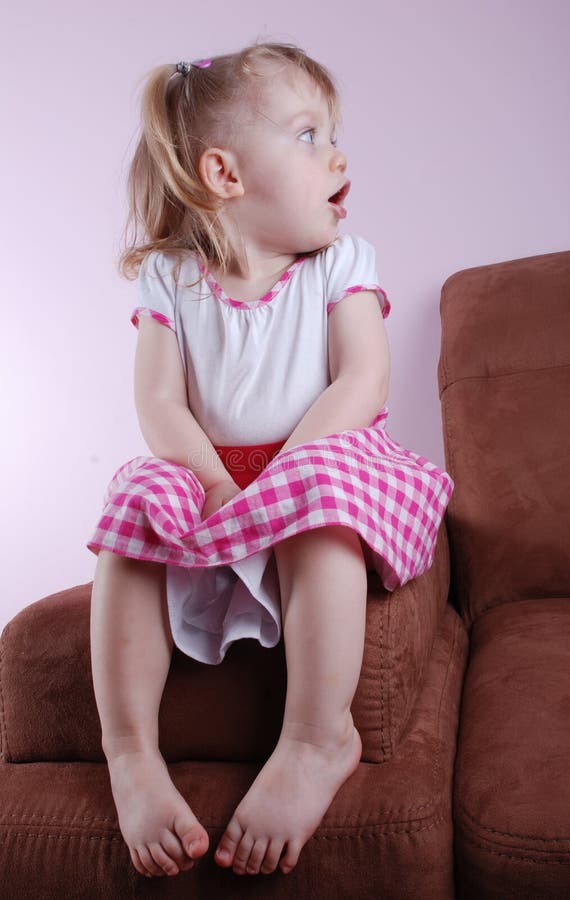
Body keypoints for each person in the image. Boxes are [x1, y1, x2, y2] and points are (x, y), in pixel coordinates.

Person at [87, 40, 454, 881]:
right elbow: (159, 405)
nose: (338, 154)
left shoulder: (341, 264)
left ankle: (318, 737)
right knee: (133, 503)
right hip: (214, 479)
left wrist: (285, 473)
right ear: (224, 175)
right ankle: (130, 753)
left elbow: (362, 379)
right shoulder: (171, 281)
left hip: (320, 456)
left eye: (332, 134)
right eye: (307, 134)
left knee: (318, 497)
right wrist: (214, 482)